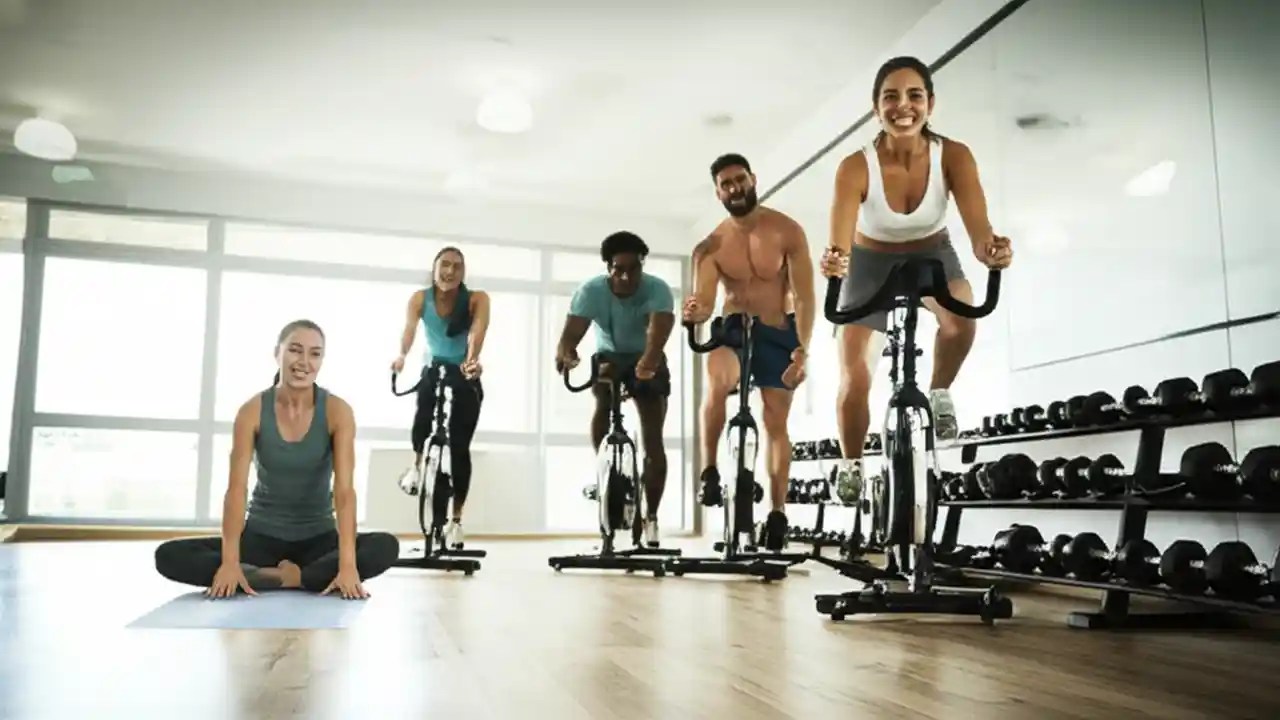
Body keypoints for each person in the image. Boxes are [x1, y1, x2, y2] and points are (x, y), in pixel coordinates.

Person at [820, 56, 1014, 492]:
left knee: (962, 317)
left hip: (932, 253)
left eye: (914, 95)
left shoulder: (954, 156)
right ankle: (851, 464)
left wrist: (993, 252)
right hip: (869, 260)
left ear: (930, 103)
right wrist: (834, 262)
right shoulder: (855, 166)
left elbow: (981, 234)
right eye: (890, 97)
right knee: (855, 373)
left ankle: (939, 392)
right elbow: (839, 244)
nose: (903, 106)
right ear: (876, 108)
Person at [154, 319, 400, 599]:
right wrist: (230, 562)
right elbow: (236, 490)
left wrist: (347, 565)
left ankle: (278, 578)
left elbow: (344, 492)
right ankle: (297, 578)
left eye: (315, 354)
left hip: (319, 539)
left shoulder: (337, 411)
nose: (304, 362)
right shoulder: (252, 411)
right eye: (295, 350)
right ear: (277, 353)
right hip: (261, 538)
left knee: (385, 546)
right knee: (168, 555)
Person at [683, 152, 817, 552]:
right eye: (726, 184)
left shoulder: (786, 231)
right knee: (717, 379)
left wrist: (803, 349)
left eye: (739, 179)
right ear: (718, 193)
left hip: (778, 331)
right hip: (734, 329)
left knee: (776, 422)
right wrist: (695, 312)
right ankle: (709, 471)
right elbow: (706, 302)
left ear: (753, 179)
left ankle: (777, 514)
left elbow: (805, 296)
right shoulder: (710, 247)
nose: (735, 188)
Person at [554, 231, 675, 547]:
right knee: (603, 399)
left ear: (642, 266)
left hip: (647, 355)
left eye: (633, 269)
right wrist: (567, 355)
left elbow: (658, 334)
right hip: (609, 357)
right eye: (618, 269)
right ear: (608, 267)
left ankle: (651, 518)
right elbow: (569, 338)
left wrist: (647, 364)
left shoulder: (657, 289)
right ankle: (605, 466)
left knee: (653, 440)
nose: (625, 277)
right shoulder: (590, 291)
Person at [391, 246, 491, 549]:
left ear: (463, 273)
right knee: (422, 418)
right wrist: (401, 356)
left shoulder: (476, 299)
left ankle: (455, 521)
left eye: (457, 267)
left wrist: (471, 360)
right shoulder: (420, 299)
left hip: (464, 373)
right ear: (434, 269)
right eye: (444, 265)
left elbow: (477, 330)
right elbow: (409, 330)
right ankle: (417, 465)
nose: (450, 271)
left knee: (460, 447)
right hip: (434, 368)